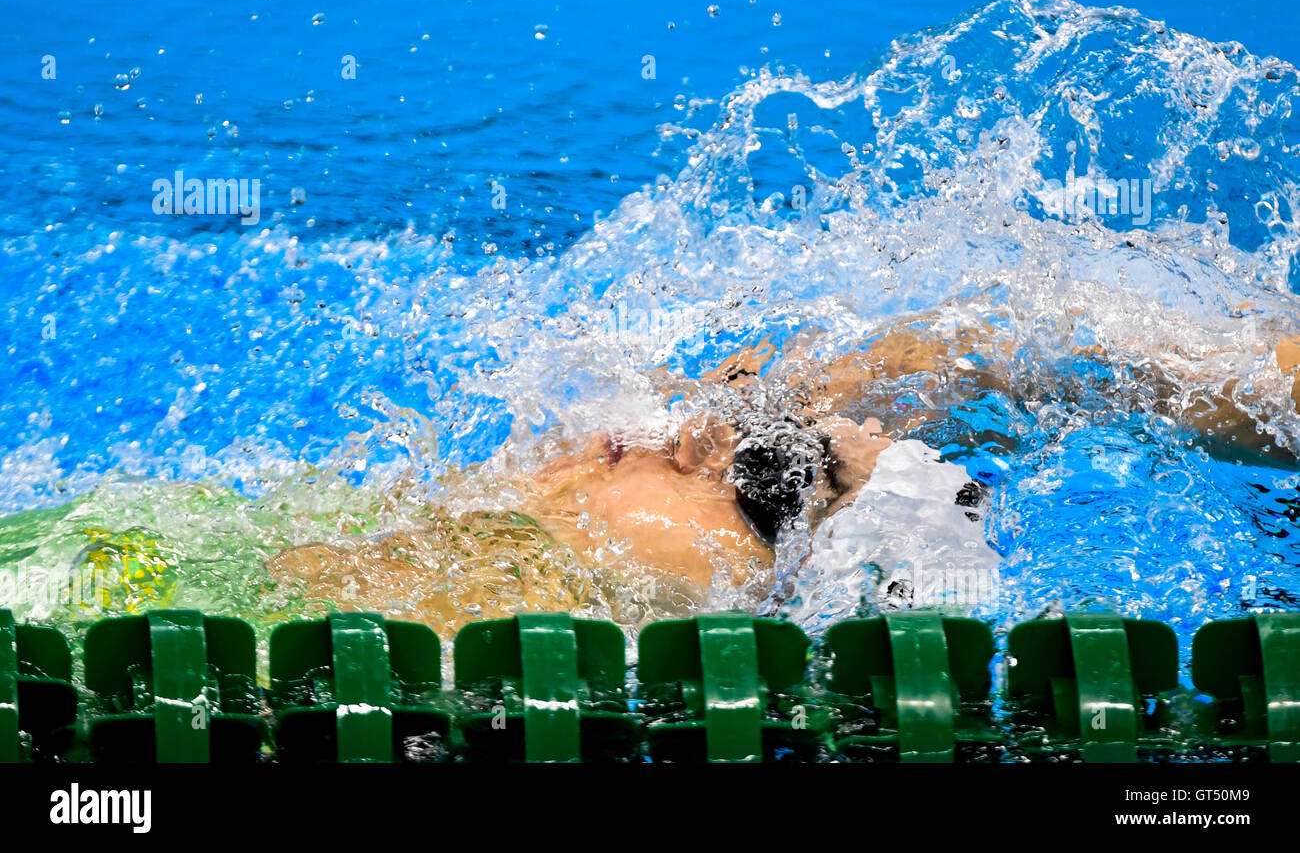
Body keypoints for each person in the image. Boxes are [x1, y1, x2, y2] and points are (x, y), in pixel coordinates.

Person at [269, 311, 1300, 630]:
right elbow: (953, 348)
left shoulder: (482, 605)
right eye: (756, 422)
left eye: (761, 478)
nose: (697, 435)